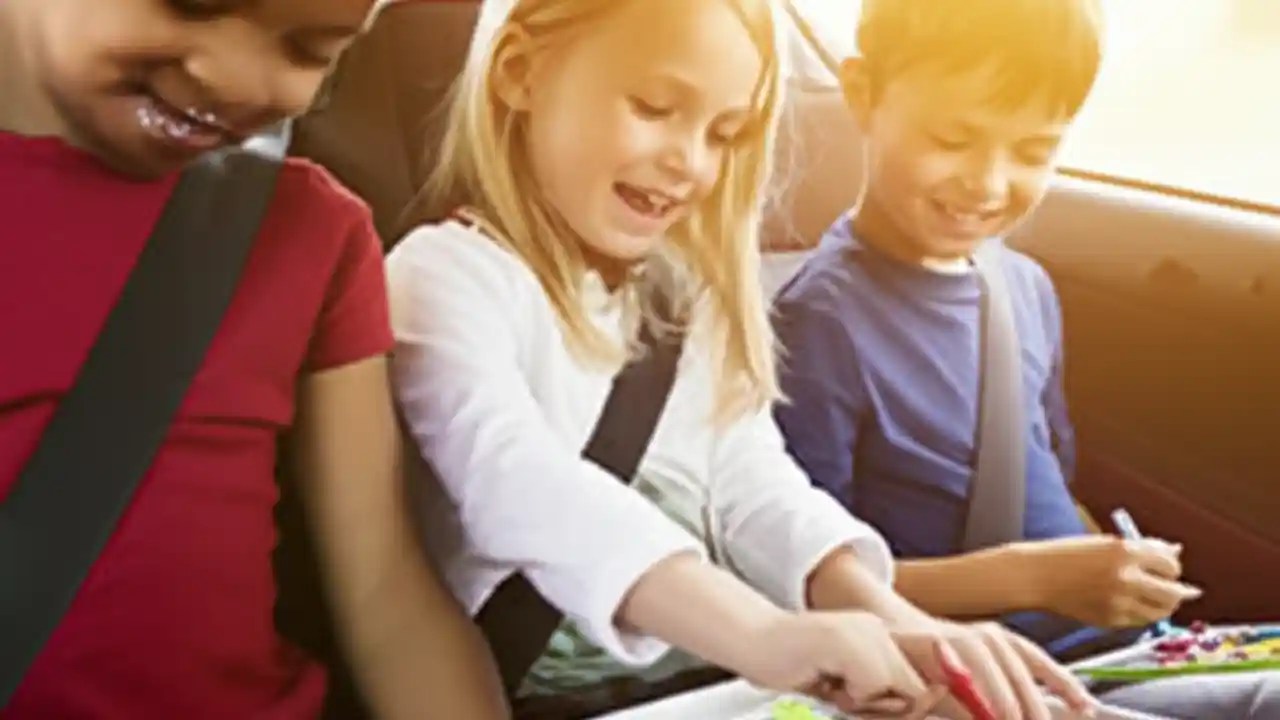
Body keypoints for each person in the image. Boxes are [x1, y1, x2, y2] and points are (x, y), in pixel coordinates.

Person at [386, 0, 1096, 718]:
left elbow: (752, 484)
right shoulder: (443, 276)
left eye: (724, 134)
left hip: (723, 689)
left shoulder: (683, 298)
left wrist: (895, 620)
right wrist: (763, 634)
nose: (689, 162)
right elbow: (519, 484)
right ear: (518, 74)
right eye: (655, 107)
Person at [772, 0, 1280, 716]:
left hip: (1125, 653)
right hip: (982, 682)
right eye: (953, 138)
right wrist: (1033, 580)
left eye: (1033, 151)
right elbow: (804, 580)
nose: (987, 182)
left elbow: (1057, 471)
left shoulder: (1022, 284)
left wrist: (1111, 566)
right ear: (862, 97)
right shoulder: (818, 326)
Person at [0, 0, 505, 717]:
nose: (237, 80)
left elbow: (383, 593)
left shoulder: (308, 233)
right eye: (194, 5)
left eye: (310, 49)